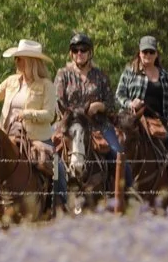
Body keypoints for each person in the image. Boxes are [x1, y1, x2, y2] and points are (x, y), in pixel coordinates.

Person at [0, 38, 59, 192]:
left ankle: (61, 203)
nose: (16, 62)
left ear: (31, 61)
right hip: (7, 135)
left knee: (59, 169)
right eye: (16, 59)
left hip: (35, 138)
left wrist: (27, 114)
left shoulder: (46, 85)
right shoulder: (12, 81)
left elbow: (50, 115)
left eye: (19, 59)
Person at [52, 31, 123, 203]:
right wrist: (76, 113)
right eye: (75, 50)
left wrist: (100, 106)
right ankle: (50, 200)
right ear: (71, 53)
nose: (79, 53)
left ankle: (123, 196)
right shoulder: (63, 74)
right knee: (48, 156)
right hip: (69, 125)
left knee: (118, 155)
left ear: (90, 52)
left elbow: (111, 103)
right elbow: (57, 102)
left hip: (98, 125)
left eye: (83, 50)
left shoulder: (100, 75)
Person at [114, 36, 168, 156]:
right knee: (117, 146)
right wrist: (130, 103)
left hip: (157, 119)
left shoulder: (164, 76)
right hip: (132, 119)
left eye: (151, 52)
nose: (148, 55)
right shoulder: (130, 71)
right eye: (145, 51)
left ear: (156, 54)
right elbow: (119, 95)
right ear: (139, 53)